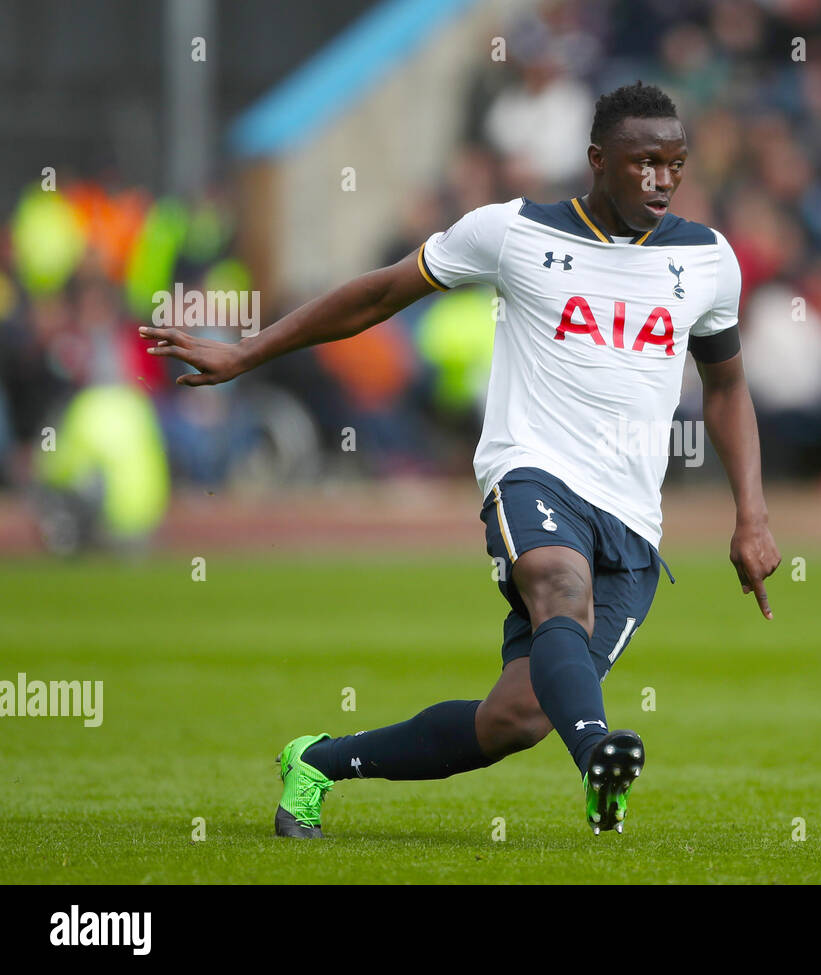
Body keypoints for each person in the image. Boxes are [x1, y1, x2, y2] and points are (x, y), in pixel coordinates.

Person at [138, 82, 781, 837]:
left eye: (674, 164)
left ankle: (319, 761)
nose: (660, 180)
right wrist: (247, 350)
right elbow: (378, 295)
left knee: (516, 717)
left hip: (633, 516)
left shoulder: (706, 260)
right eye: (643, 163)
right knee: (556, 581)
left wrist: (753, 515)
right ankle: (599, 759)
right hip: (532, 472)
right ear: (598, 161)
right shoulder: (512, 232)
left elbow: (728, 385)